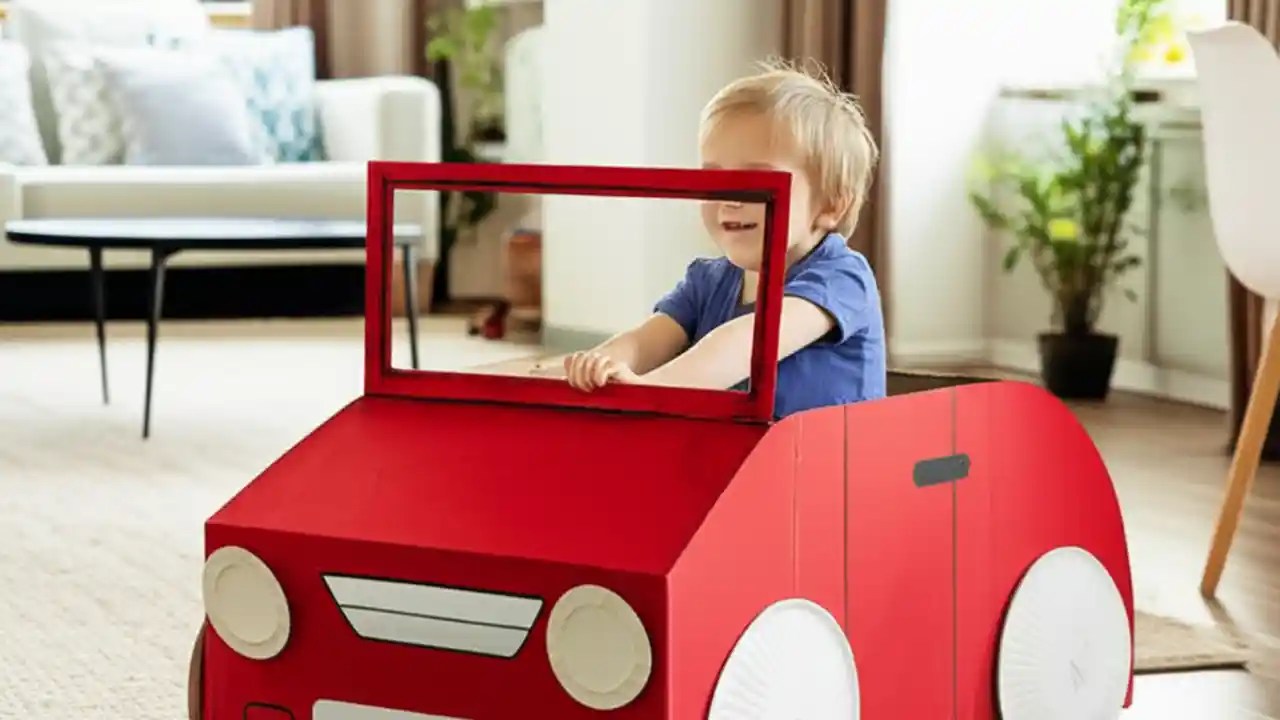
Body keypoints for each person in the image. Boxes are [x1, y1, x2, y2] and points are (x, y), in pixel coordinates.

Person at [558, 59, 887, 419]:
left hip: (824, 467)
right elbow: (646, 340)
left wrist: (653, 391)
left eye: (755, 183)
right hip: (739, 456)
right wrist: (602, 366)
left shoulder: (842, 277)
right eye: (714, 179)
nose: (729, 199)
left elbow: (748, 344)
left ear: (830, 205)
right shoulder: (706, 279)